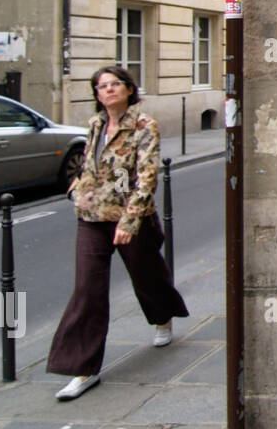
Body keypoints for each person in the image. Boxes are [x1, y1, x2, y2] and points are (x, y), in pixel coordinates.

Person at [47, 66, 189, 399]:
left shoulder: (144, 125)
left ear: (128, 89)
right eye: (101, 86)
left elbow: (146, 176)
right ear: (96, 93)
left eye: (114, 84)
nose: (108, 90)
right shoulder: (95, 124)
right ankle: (83, 369)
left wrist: (129, 221)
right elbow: (89, 163)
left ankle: (163, 318)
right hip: (93, 217)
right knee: (87, 289)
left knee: (147, 276)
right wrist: (77, 188)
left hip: (131, 218)